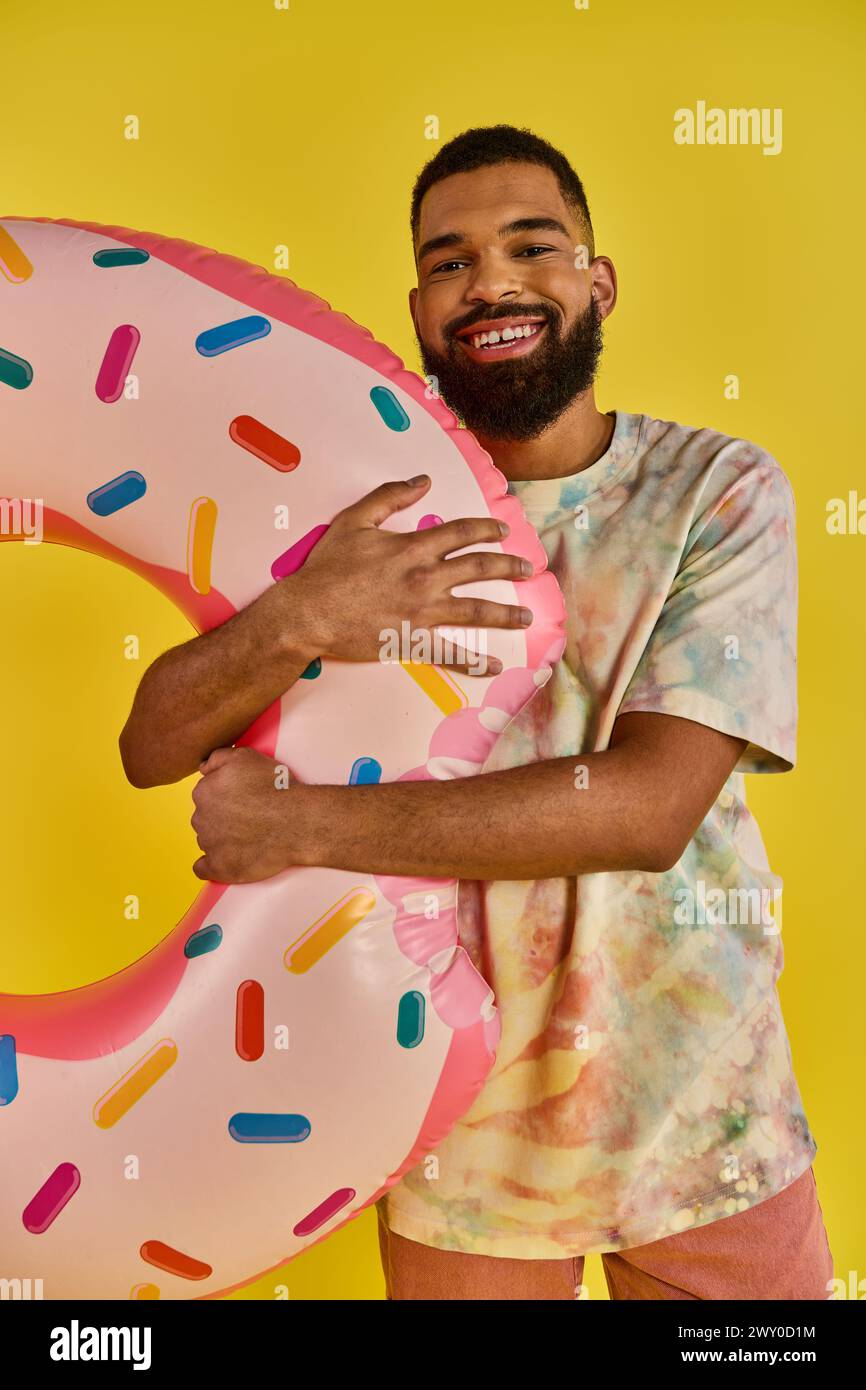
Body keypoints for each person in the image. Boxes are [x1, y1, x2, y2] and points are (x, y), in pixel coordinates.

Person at [119, 124, 833, 1300]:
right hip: (449, 1128)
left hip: (703, 1113)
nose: (490, 280)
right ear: (416, 309)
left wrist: (301, 824)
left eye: (528, 245)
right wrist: (298, 615)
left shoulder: (718, 490)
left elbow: (649, 809)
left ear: (594, 282)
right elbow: (152, 744)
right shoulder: (356, 513)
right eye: (449, 260)